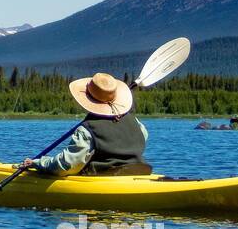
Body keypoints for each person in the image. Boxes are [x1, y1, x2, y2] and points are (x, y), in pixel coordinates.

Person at [22, 72, 152, 177]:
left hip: (105, 178)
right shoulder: (136, 122)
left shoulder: (88, 129)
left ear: (90, 99)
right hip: (140, 173)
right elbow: (142, 139)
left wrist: (38, 163)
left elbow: (67, 165)